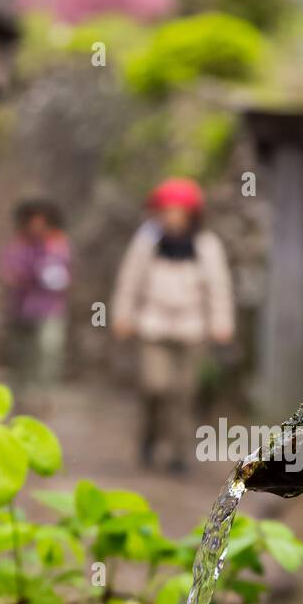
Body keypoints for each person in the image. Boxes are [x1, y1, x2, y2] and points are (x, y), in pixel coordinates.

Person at [111, 178, 234, 471]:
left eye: (178, 211)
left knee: (184, 392)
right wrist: (122, 314)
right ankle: (149, 437)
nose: (172, 217)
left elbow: (218, 287)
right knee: (155, 385)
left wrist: (221, 323)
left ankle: (179, 454)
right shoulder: (147, 241)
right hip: (153, 325)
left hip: (192, 328)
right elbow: (130, 280)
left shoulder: (206, 245)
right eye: (167, 211)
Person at [1, 199, 72, 387]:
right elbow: (10, 274)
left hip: (50, 309)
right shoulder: (18, 246)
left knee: (48, 354)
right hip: (22, 309)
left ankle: (43, 396)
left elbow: (64, 276)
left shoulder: (58, 245)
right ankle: (18, 395)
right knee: (20, 356)